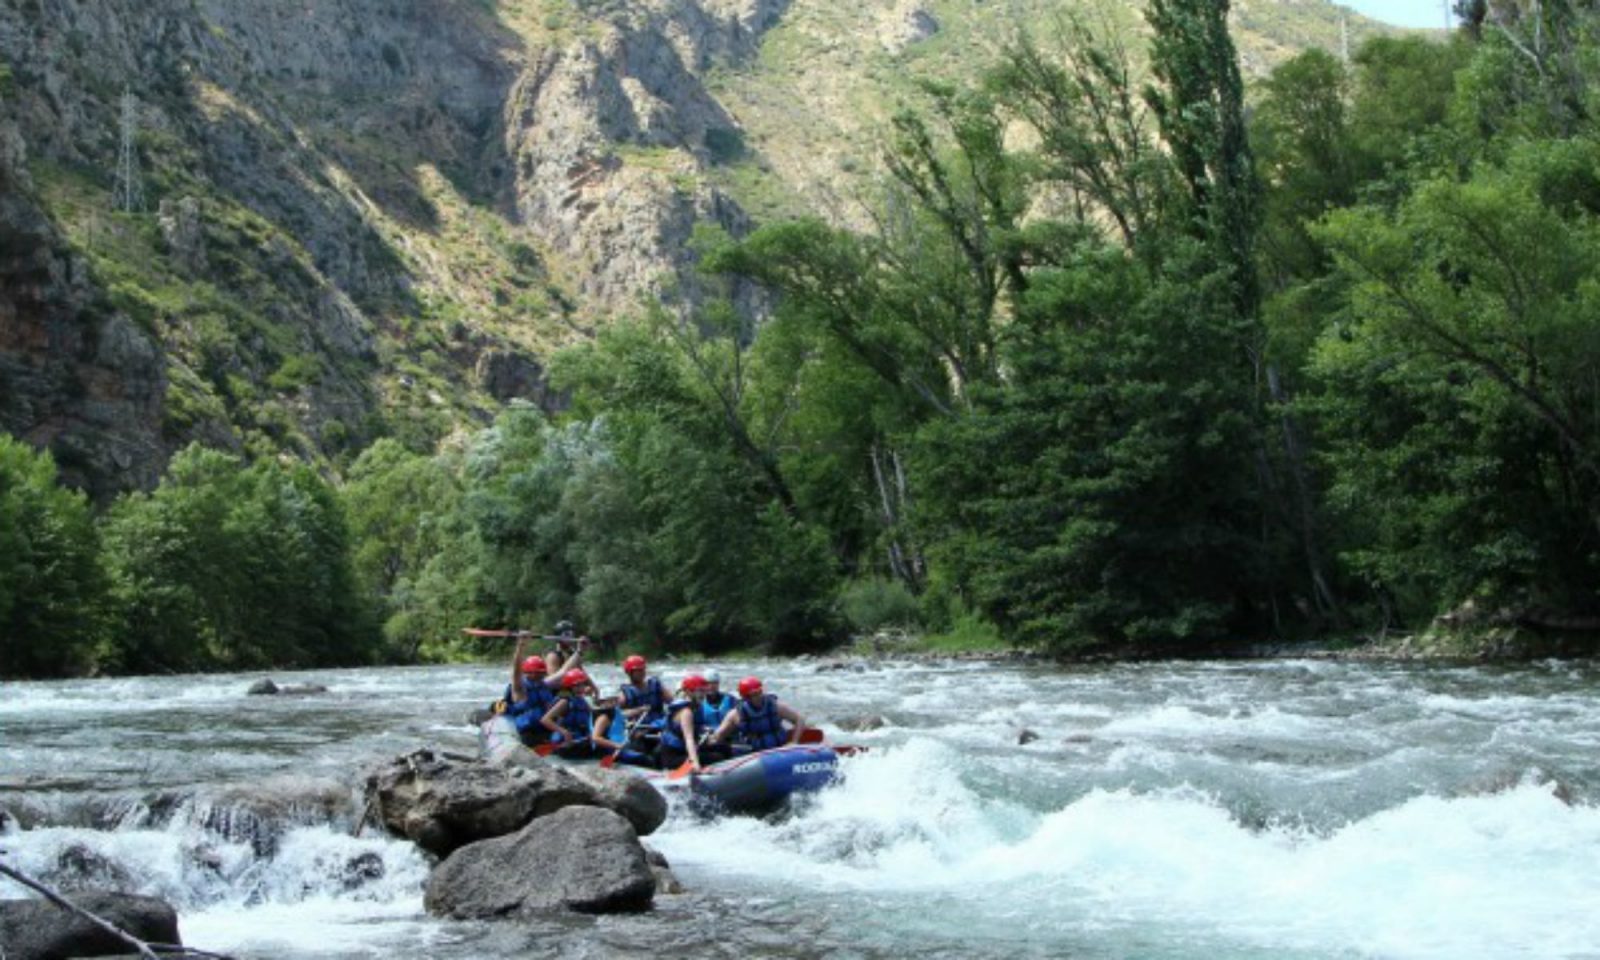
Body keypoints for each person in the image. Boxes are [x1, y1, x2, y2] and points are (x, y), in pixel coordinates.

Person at [707, 676, 808, 752]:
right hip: (753, 754)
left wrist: (794, 741)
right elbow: (718, 735)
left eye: (759, 692)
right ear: (745, 697)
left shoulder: (776, 706)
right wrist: (709, 741)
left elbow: (799, 720)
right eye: (754, 694)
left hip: (779, 749)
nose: (759, 696)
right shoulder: (735, 715)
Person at [657, 675, 733, 773]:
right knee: (717, 757)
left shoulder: (696, 707)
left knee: (724, 748)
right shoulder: (686, 712)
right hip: (673, 756)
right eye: (699, 691)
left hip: (683, 750)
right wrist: (695, 765)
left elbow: (697, 729)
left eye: (703, 691)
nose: (703, 694)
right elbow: (689, 739)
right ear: (689, 692)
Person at [501, 634, 563, 746]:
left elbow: (564, 671)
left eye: (538, 672)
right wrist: (521, 645)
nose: (535, 675)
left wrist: (579, 651)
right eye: (531, 672)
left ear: (543, 672)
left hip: (546, 729)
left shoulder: (546, 685)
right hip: (527, 732)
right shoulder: (520, 688)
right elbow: (516, 671)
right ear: (525, 672)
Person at [540, 669, 604, 760]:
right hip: (565, 742)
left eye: (582, 685)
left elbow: (592, 718)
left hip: (579, 738)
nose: (580, 688)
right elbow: (545, 720)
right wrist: (565, 733)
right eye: (576, 686)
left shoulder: (582, 701)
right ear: (569, 687)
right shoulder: (565, 701)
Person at [618, 654, 668, 748]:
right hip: (641, 728)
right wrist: (639, 710)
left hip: (660, 724)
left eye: (643, 669)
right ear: (629, 672)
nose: (642, 673)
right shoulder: (624, 693)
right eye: (638, 671)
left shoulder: (656, 685)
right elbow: (618, 714)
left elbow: (673, 702)